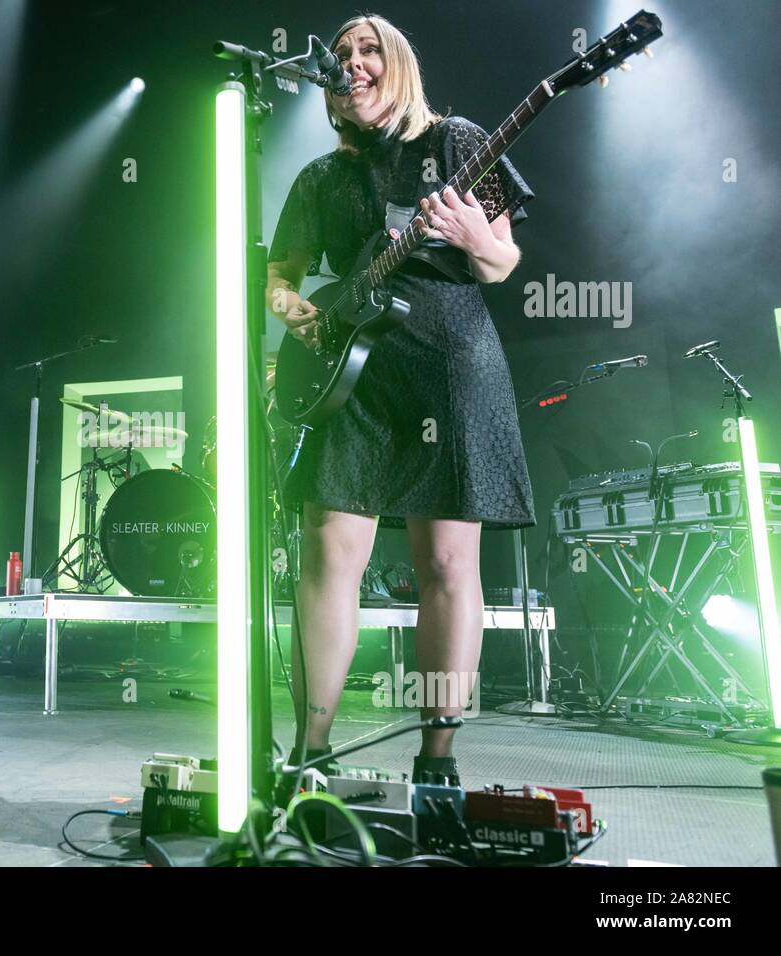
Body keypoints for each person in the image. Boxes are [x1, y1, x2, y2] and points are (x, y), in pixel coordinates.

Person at [266, 15, 535, 786]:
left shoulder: (456, 144)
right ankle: (309, 755)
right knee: (326, 551)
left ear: (400, 64)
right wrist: (298, 313)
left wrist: (473, 236)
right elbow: (278, 278)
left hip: (449, 363)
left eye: (367, 49)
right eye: (342, 53)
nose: (352, 62)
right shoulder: (322, 177)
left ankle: (436, 765)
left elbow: (503, 260)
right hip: (354, 373)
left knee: (447, 563)